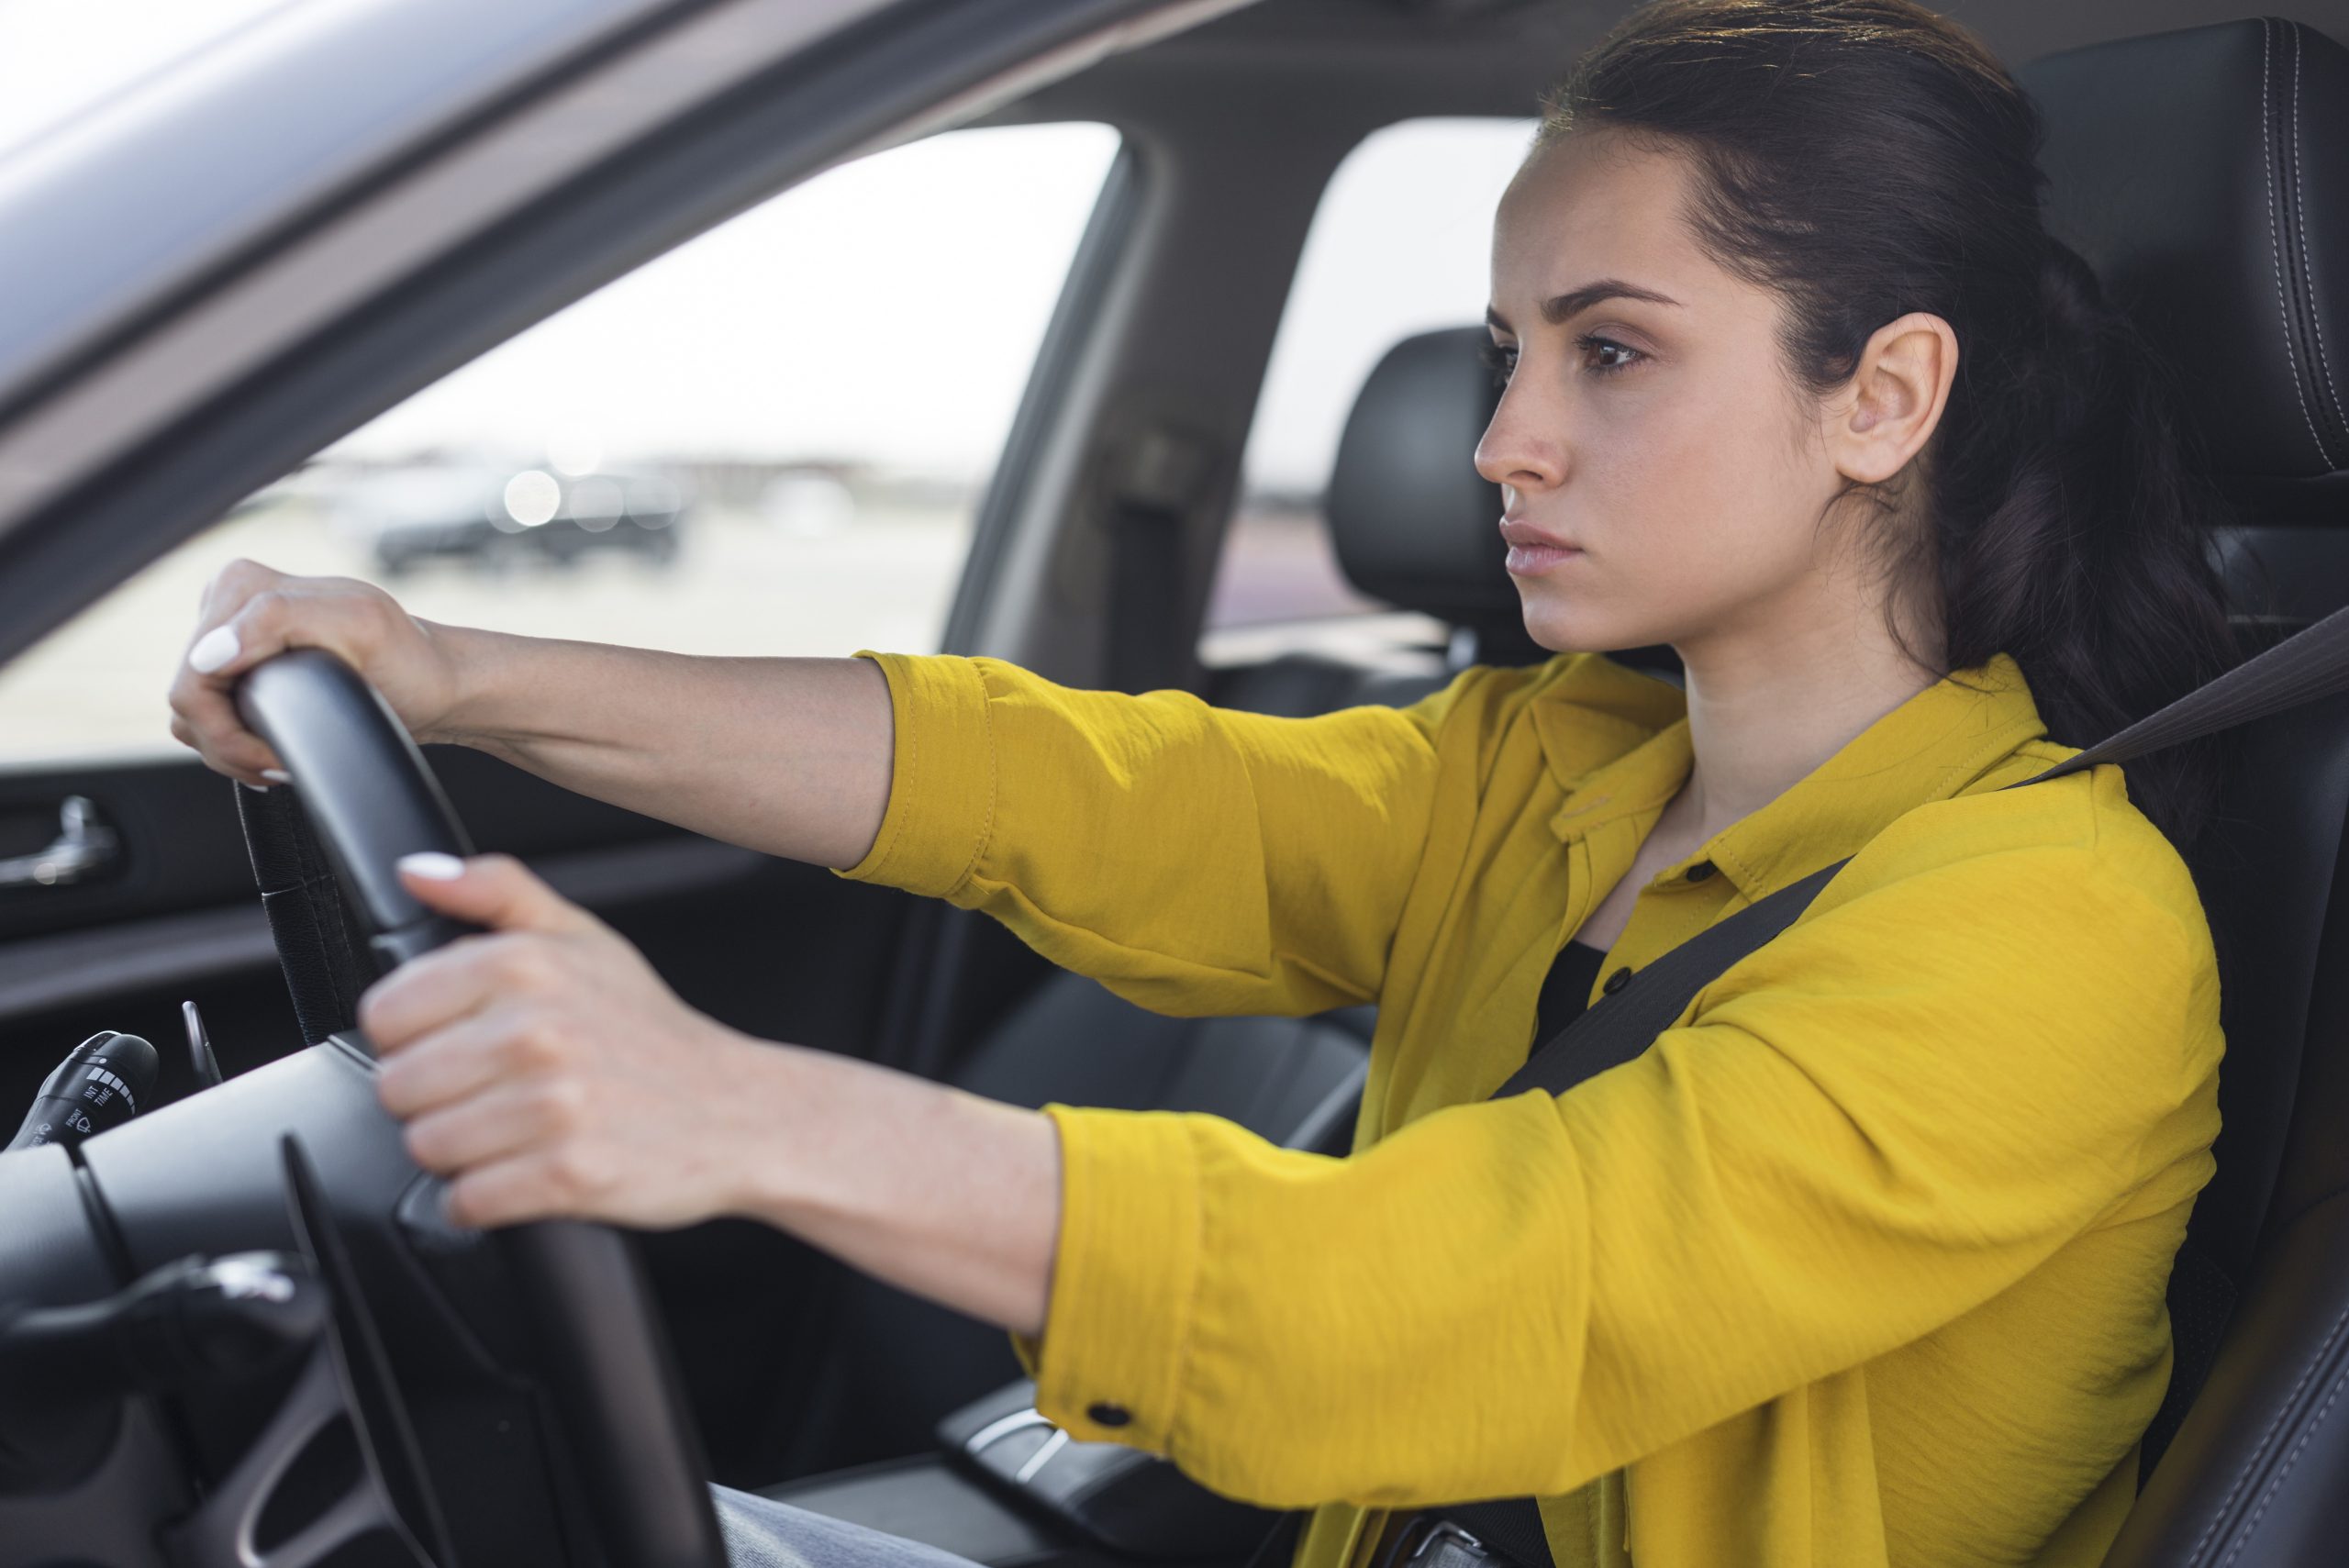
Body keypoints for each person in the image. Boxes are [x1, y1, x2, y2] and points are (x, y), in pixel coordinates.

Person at [167, 2, 2242, 1564]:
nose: (1500, 436)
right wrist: (458, 673)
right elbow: (1059, 790)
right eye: (1502, 346)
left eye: (1607, 352)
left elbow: (1443, 1307)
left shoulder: (2044, 929)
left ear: (1877, 398)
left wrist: (727, 1109)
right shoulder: (1556, 767)